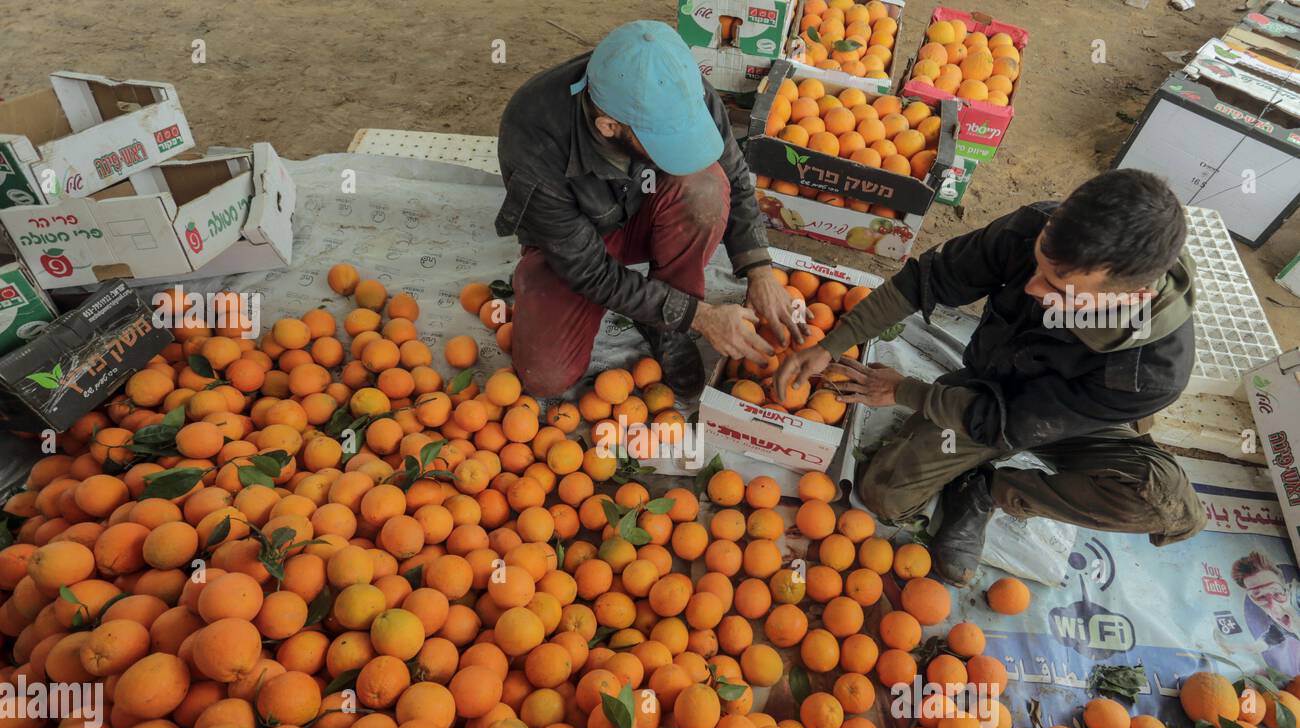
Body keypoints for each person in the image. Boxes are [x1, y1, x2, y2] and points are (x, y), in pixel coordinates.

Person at [776, 169, 1206, 587]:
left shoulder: (1151, 372)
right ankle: (967, 470)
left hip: (1073, 419)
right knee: (886, 496)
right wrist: (831, 344)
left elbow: (1010, 425)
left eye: (1059, 288)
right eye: (1037, 264)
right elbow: (929, 278)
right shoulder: (1035, 228)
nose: (1034, 289)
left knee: (1165, 504)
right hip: (990, 391)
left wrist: (904, 391)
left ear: (1133, 297)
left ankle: (990, 490)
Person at [496, 20, 803, 399]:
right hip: (576, 244)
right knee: (546, 378)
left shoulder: (673, 85)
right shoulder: (532, 137)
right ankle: (668, 309)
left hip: (650, 210)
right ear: (608, 126)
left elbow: (734, 175)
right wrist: (701, 316)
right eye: (663, 141)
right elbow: (589, 271)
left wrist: (759, 270)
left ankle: (665, 323)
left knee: (705, 186)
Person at [1232, 551, 1300, 677]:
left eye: (1276, 592)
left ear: (1286, 587)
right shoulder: (1280, 624)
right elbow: (1267, 640)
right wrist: (1235, 648)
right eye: (1259, 597)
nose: (1272, 605)